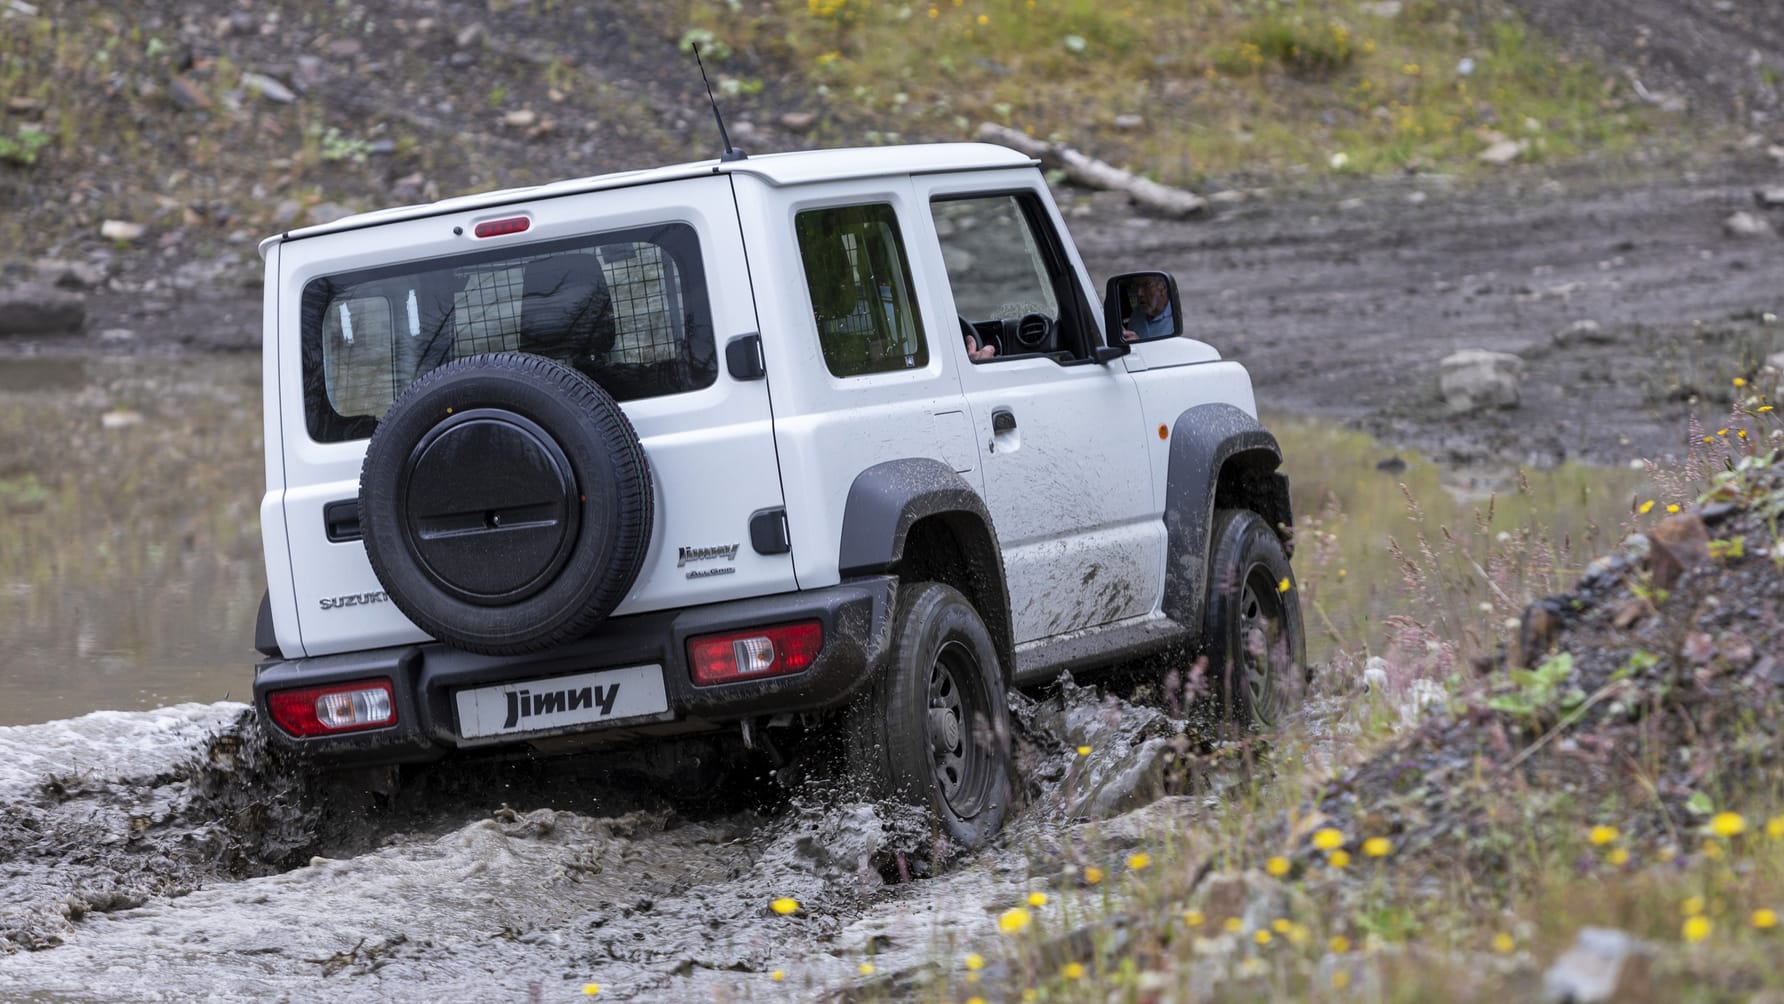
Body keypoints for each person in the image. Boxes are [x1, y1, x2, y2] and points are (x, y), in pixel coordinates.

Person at [1121, 275, 1174, 342]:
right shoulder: (1136, 315)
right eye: (1136, 286)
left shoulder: (1174, 318)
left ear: (1162, 288)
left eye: (1146, 285)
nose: (1139, 293)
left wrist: (1140, 345)